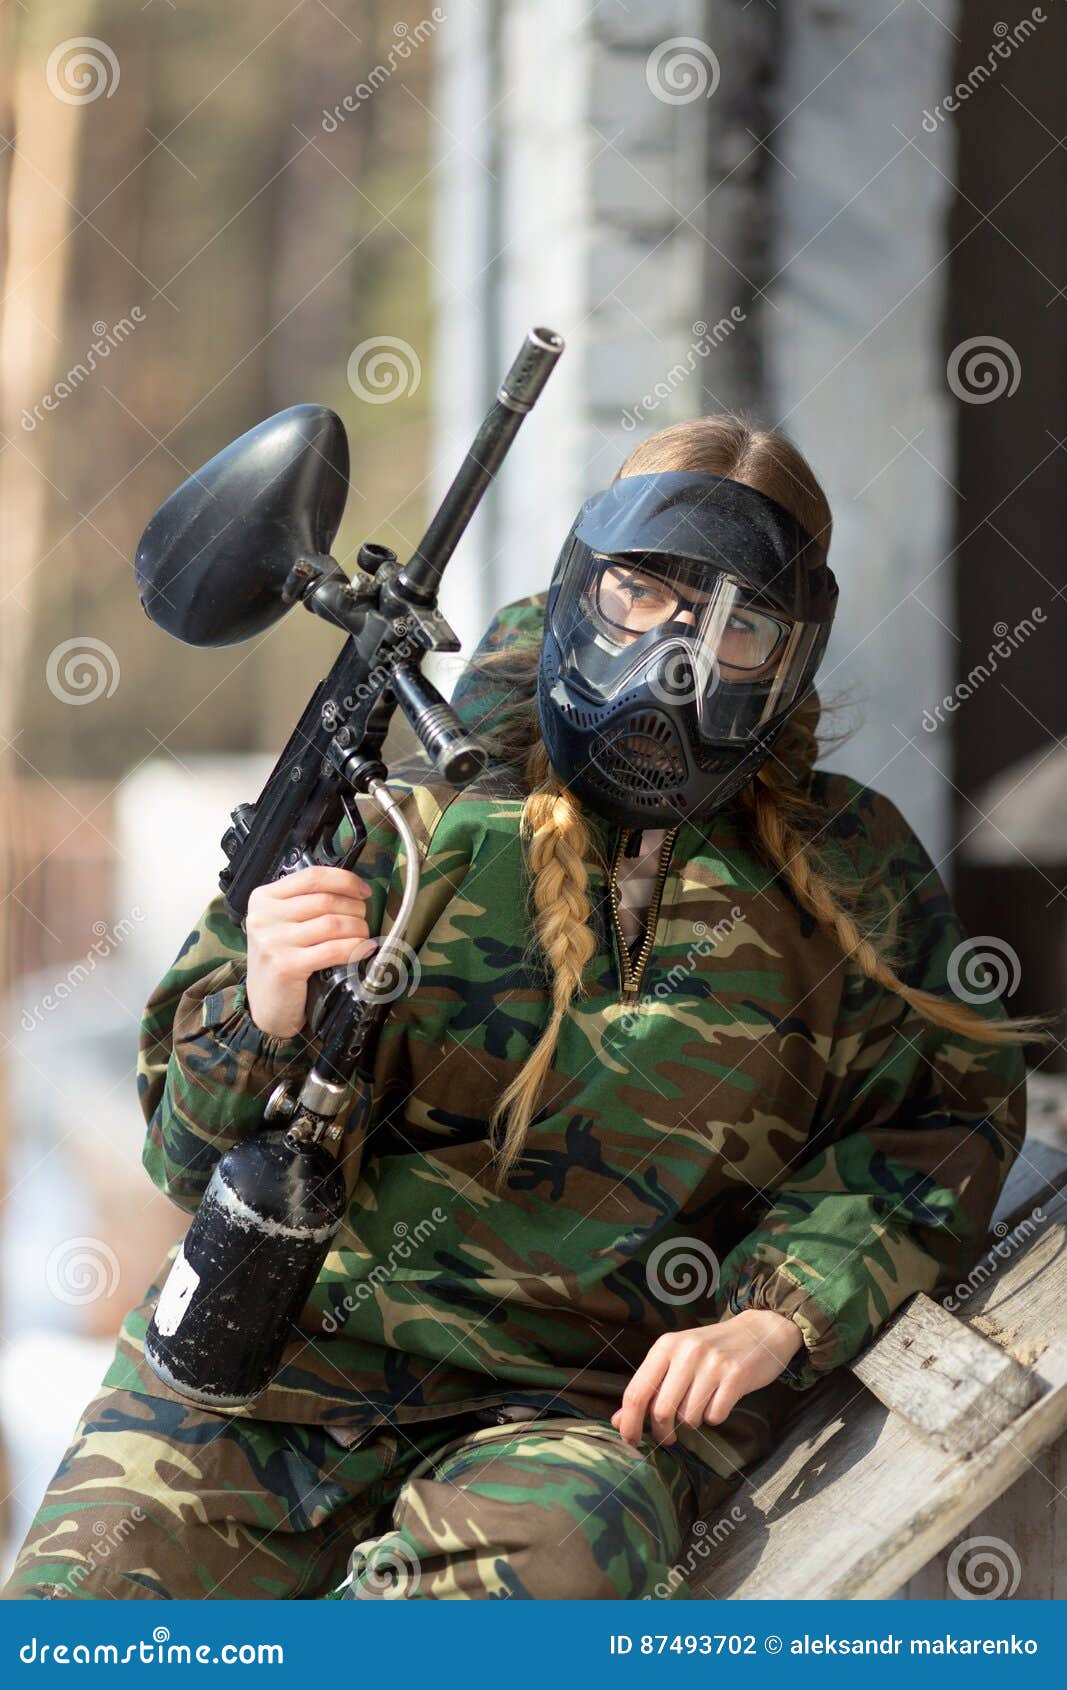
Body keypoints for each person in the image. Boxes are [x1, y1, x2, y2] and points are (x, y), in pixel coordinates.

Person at [4, 416, 1033, 1603]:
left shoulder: (847, 873)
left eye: (736, 628)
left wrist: (778, 1312)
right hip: (274, 1362)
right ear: (577, 585)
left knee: (539, 1573)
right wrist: (265, 1004)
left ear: (790, 658)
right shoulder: (396, 810)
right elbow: (186, 1161)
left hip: (564, 1415)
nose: (675, 661)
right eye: (641, 596)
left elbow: (937, 1122)